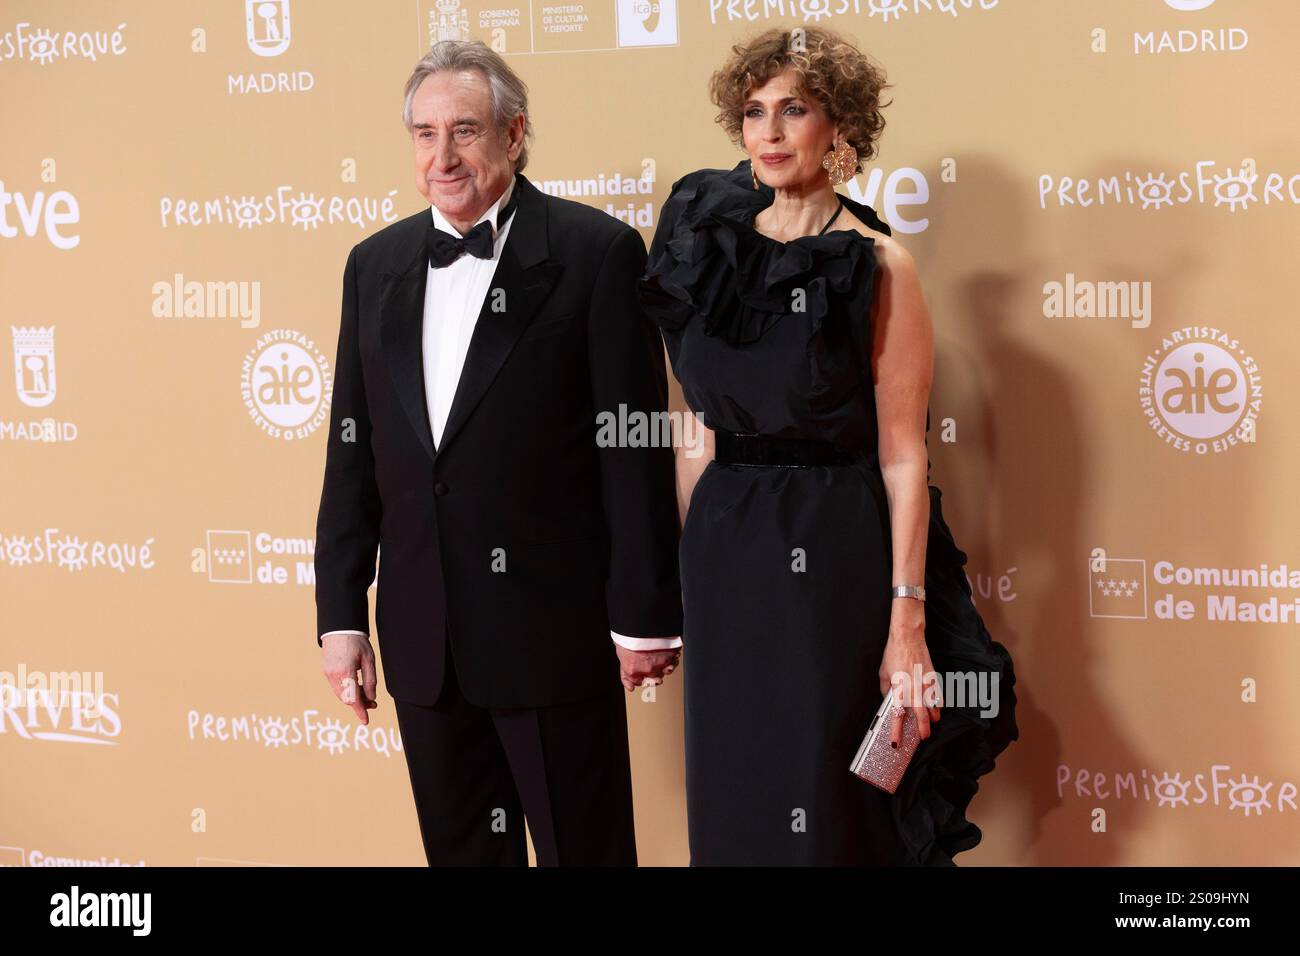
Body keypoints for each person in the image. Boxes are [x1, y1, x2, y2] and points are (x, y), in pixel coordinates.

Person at [638, 27, 1019, 865]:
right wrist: (670, 588)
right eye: (753, 113)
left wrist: (906, 622)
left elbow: (904, 455)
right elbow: (695, 432)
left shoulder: (880, 264)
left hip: (830, 549)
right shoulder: (707, 245)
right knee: (733, 791)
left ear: (839, 128)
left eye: (794, 110)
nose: (768, 133)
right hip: (724, 554)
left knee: (820, 797)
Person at [313, 40, 683, 866]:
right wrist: (341, 614)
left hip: (554, 633)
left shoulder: (597, 254)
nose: (442, 156)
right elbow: (352, 448)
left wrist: (644, 613)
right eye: (423, 134)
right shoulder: (372, 266)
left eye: (466, 131)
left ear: (515, 135)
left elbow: (633, 451)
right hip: (424, 639)